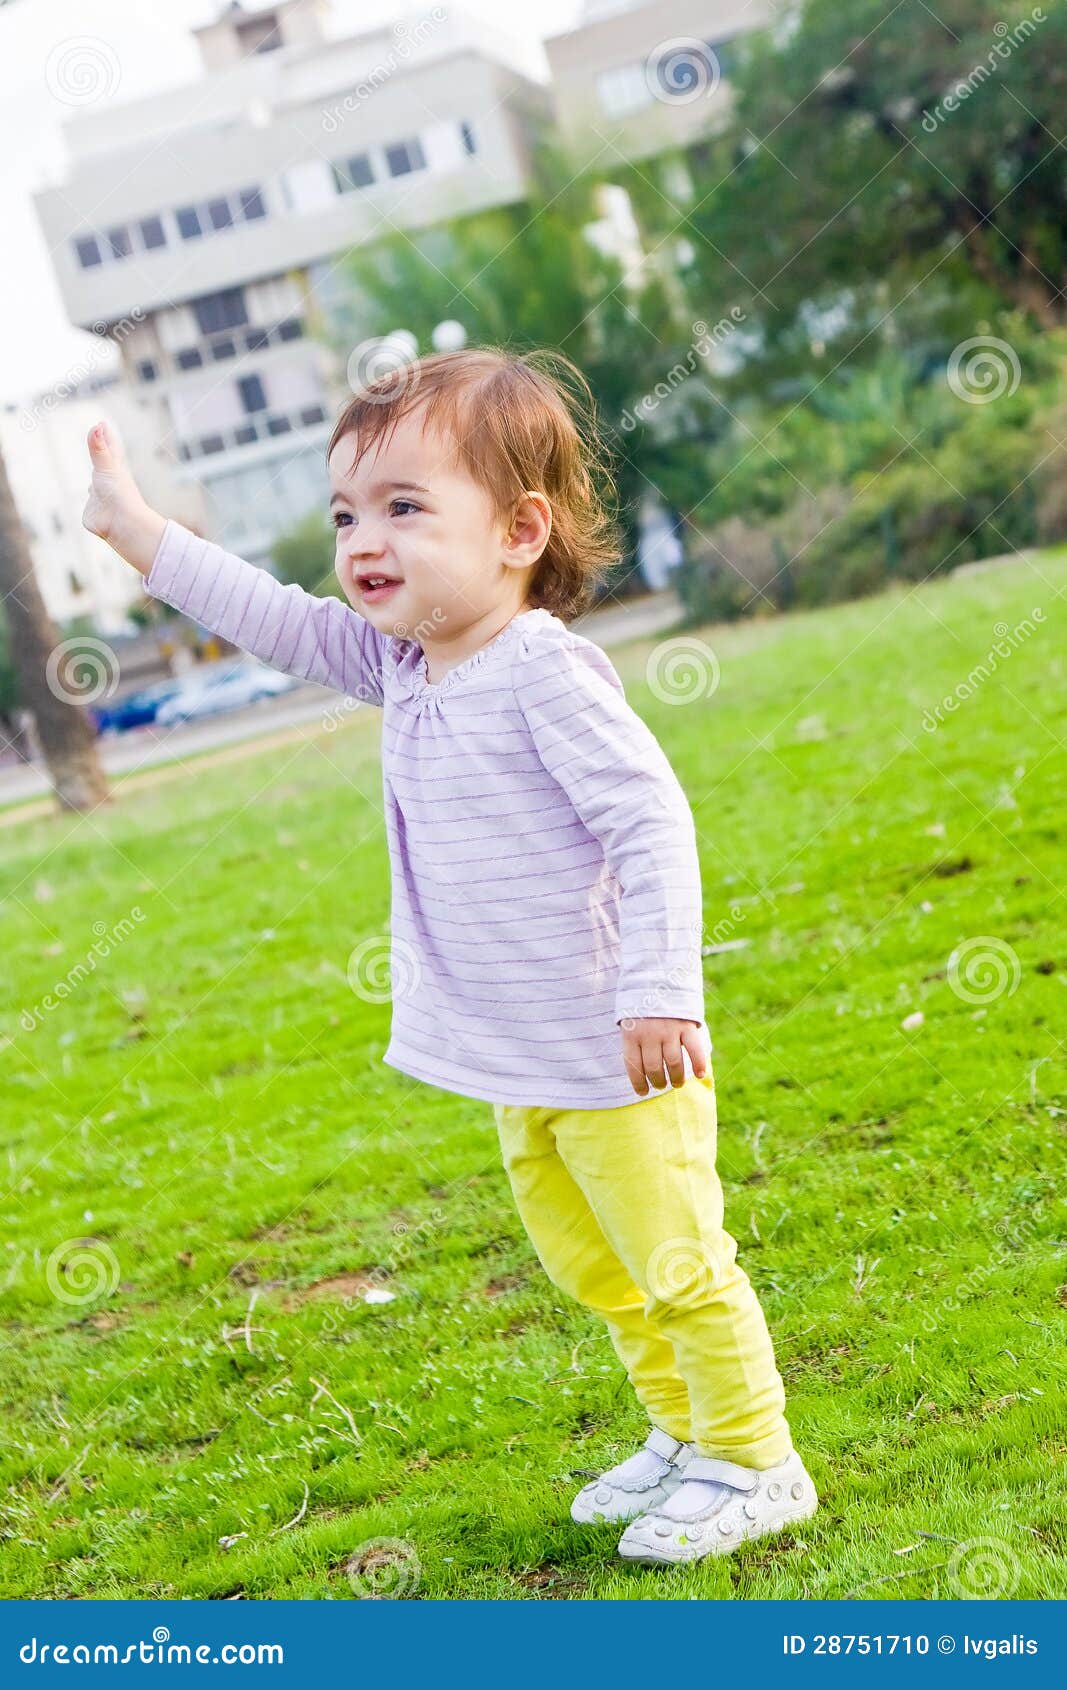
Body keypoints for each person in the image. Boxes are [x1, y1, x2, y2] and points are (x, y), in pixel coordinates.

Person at [82, 347, 817, 1567]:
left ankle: (757, 1457)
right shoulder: (401, 663)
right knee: (597, 1265)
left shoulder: (540, 672)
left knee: (678, 1261)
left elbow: (650, 820)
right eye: (346, 513)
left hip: (616, 1051)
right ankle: (685, 1435)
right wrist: (142, 533)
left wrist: (656, 989)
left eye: (405, 508)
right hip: (517, 1058)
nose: (363, 538)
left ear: (519, 529)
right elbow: (269, 614)